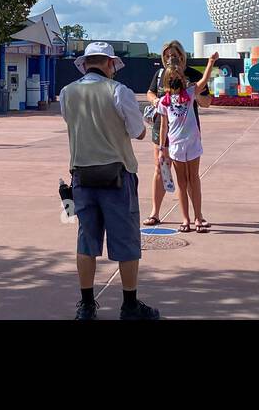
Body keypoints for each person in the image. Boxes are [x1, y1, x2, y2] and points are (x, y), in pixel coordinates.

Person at [60, 41, 160, 321]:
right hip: (117, 175)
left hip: (82, 175)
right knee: (126, 243)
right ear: (109, 63)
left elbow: (71, 123)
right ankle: (129, 306)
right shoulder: (119, 91)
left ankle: (86, 306)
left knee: (86, 241)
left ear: (85, 63)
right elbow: (138, 131)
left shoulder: (67, 93)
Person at [143, 40, 209, 226]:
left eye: (174, 55)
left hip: (187, 132)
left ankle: (197, 216)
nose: (170, 59)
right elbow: (150, 93)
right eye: (166, 56)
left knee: (190, 176)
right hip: (163, 128)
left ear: (181, 55)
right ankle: (155, 213)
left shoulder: (193, 75)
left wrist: (194, 92)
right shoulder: (160, 74)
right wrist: (156, 101)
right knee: (161, 169)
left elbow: (206, 102)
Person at [156, 56, 218, 233]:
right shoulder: (164, 101)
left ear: (183, 78)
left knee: (194, 179)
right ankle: (185, 219)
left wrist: (210, 63)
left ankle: (198, 217)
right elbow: (163, 126)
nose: (175, 79)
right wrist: (162, 148)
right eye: (172, 77)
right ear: (167, 81)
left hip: (192, 143)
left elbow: (204, 80)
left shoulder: (190, 93)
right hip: (176, 146)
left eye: (178, 76)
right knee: (182, 183)